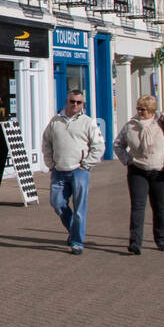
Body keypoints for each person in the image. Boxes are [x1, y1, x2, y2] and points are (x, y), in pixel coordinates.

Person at [114, 94, 164, 254]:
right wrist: (127, 160)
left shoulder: (161, 123)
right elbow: (118, 145)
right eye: (138, 108)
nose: (140, 112)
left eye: (144, 109)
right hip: (137, 170)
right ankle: (135, 243)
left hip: (159, 171)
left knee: (159, 206)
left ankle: (161, 239)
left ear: (152, 110)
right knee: (138, 207)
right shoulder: (130, 125)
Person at [41, 89, 106, 255]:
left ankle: (77, 241)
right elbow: (46, 142)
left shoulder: (88, 122)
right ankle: (73, 229)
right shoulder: (55, 121)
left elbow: (99, 146)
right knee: (57, 203)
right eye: (72, 101)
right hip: (59, 170)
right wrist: (50, 163)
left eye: (79, 102)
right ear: (66, 101)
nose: (75, 105)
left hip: (79, 171)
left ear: (82, 104)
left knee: (79, 209)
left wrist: (86, 164)